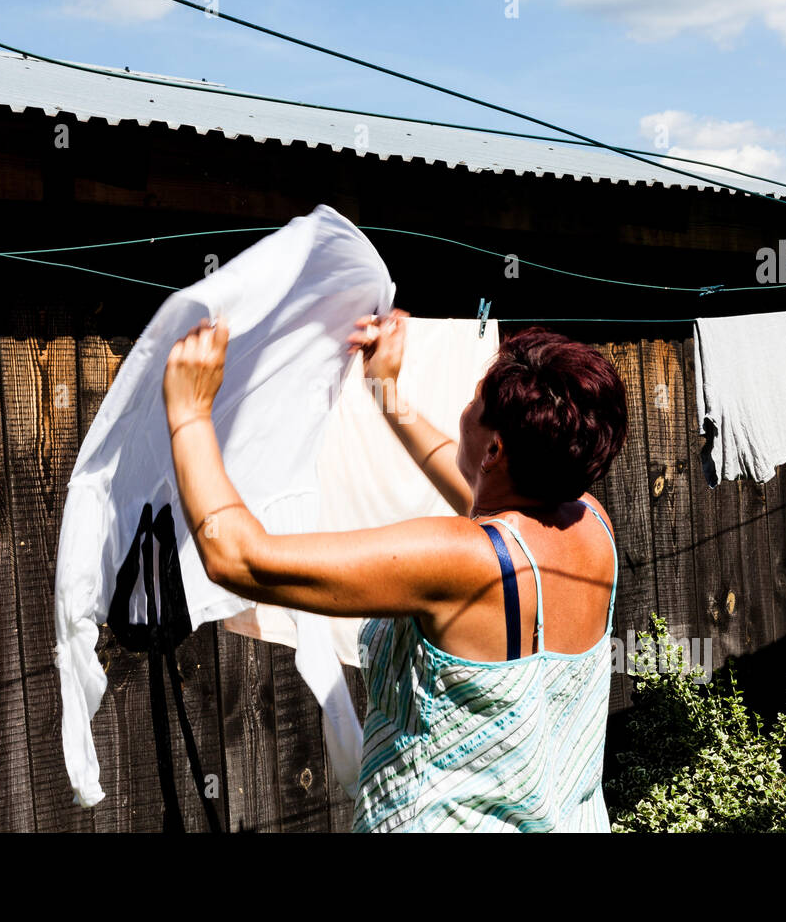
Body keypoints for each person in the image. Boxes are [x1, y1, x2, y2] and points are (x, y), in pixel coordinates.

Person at [162, 308, 628, 831]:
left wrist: (188, 413)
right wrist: (384, 390)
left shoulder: (463, 561)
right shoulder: (590, 523)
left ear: (495, 448)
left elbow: (239, 559)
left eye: (475, 401)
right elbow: (473, 482)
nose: (466, 408)